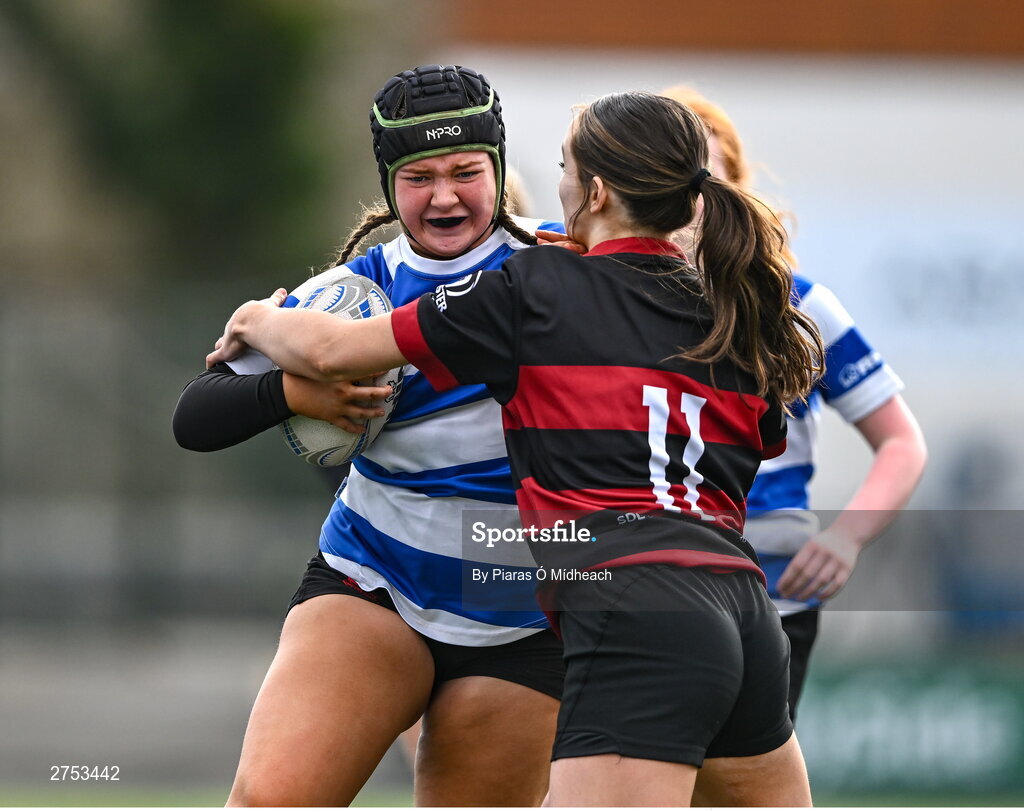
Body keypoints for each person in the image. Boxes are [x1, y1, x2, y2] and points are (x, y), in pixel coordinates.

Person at [206, 90, 826, 807]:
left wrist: (256, 319)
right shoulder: (729, 311)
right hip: (744, 610)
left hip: (631, 607)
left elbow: (333, 350)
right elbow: (761, 441)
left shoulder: (538, 285)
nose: (556, 185)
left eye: (564, 168)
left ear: (596, 192)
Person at [174, 65, 567, 807]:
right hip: (375, 580)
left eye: (466, 172)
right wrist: (295, 391)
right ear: (389, 186)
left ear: (498, 169)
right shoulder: (349, 296)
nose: (444, 196)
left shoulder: (566, 275)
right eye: (419, 177)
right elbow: (195, 416)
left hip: (523, 614)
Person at [662, 86, 928, 723]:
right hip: (646, 595)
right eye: (670, 177)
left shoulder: (800, 306)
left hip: (775, 599)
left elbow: (901, 441)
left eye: (706, 177)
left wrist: (847, 538)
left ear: (738, 186)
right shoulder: (602, 301)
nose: (691, 199)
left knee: (746, 774)